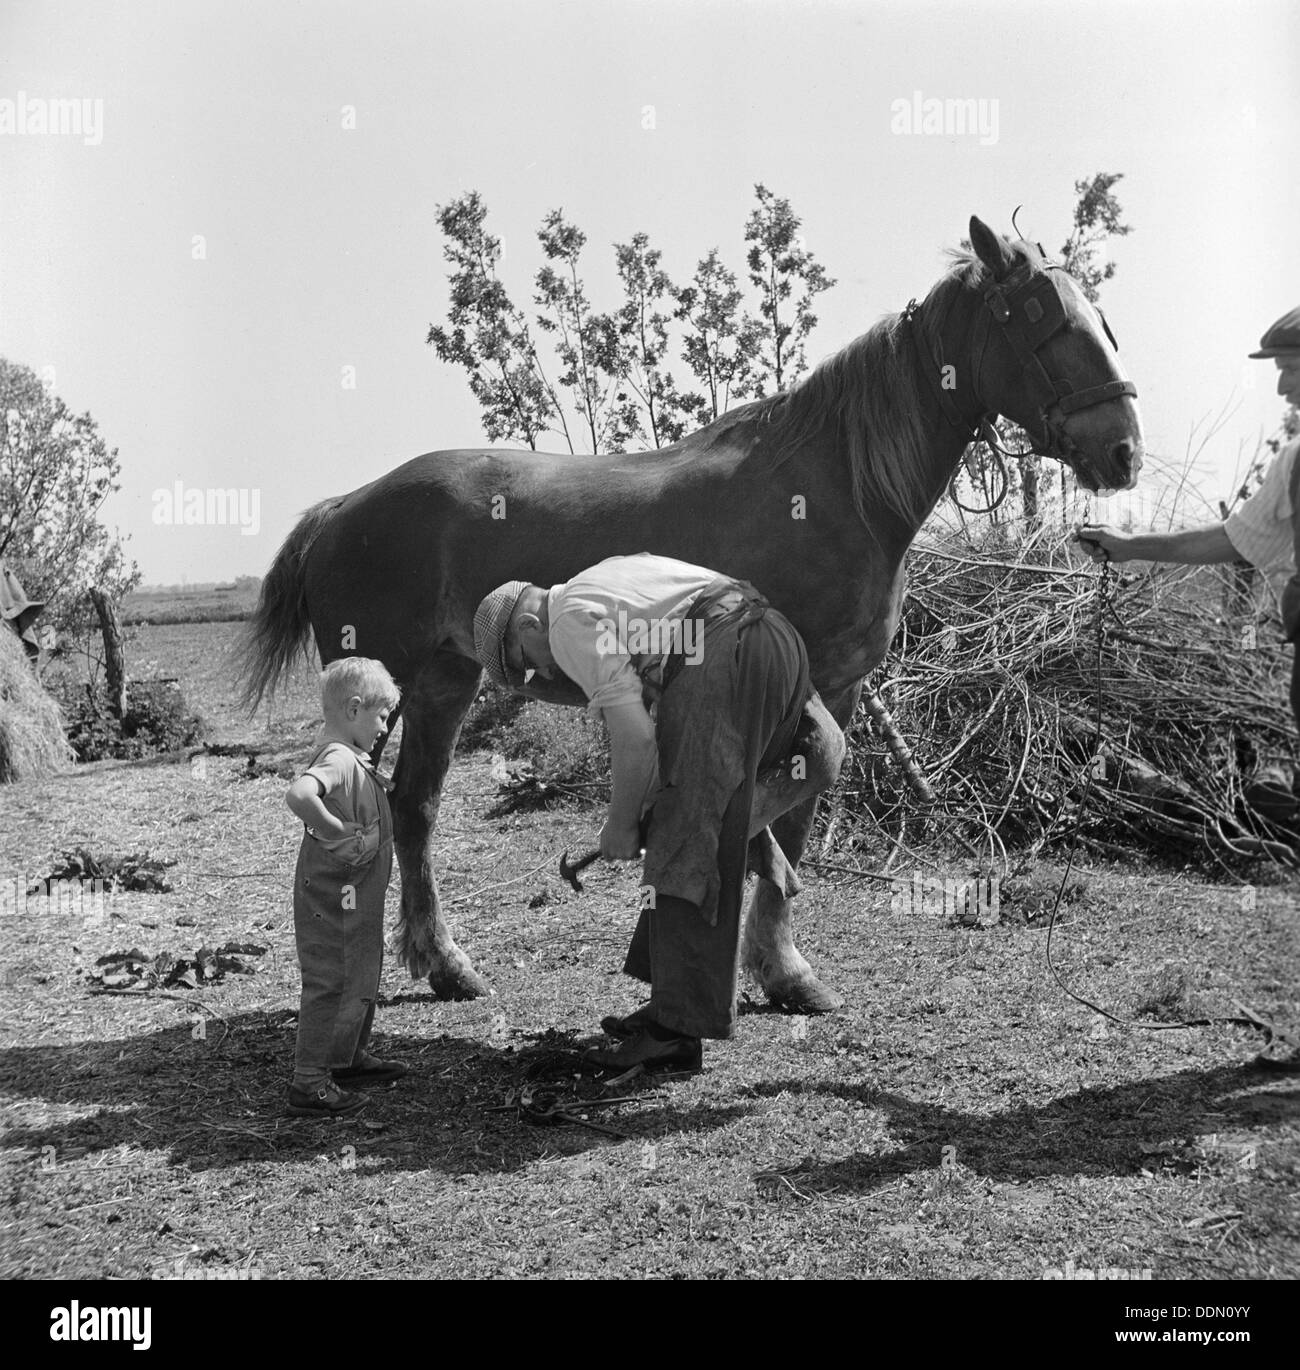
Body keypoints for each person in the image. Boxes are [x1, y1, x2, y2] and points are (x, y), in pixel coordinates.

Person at [473, 553, 844, 1071]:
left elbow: (635, 736)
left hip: (720, 652)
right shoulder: (606, 580)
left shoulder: (566, 623)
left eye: (525, 658)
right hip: (771, 636)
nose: (544, 670)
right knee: (696, 810)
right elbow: (658, 728)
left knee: (683, 830)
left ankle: (674, 1032)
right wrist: (647, 801)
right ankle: (671, 1000)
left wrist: (622, 823)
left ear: (530, 623)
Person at [1077, 305, 1300, 752]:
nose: (1281, 387)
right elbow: (1232, 541)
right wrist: (1126, 546)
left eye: (1291, 369)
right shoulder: (1293, 463)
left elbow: (1227, 540)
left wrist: (1127, 545)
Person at [283, 657, 406, 1116]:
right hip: (333, 898)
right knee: (329, 979)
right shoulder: (336, 756)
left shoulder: (354, 756)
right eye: (380, 717)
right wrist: (336, 829)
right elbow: (300, 795)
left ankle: (346, 1058)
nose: (383, 728)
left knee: (359, 968)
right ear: (354, 710)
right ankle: (309, 1083)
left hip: (355, 897)